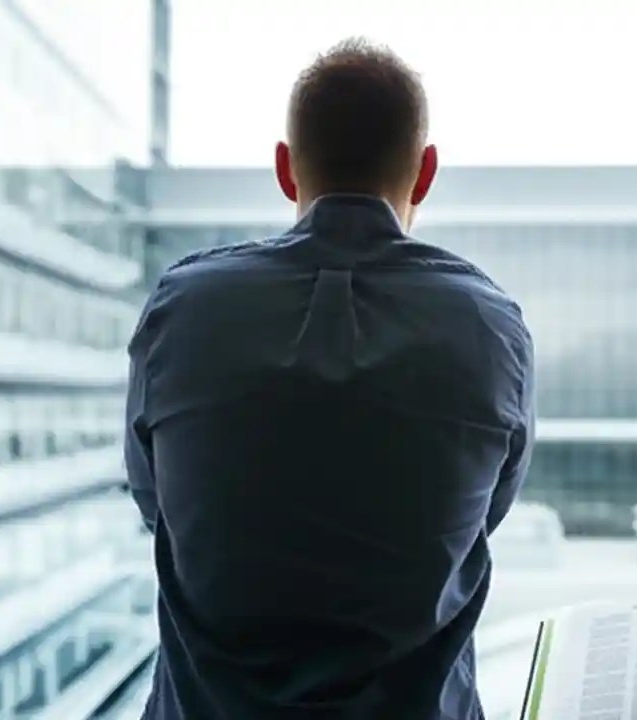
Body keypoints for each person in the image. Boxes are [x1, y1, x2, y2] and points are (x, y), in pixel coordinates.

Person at [126, 38, 535, 720]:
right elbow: (480, 520)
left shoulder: (183, 309)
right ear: (425, 172)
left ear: (286, 169)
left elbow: (160, 508)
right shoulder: (491, 328)